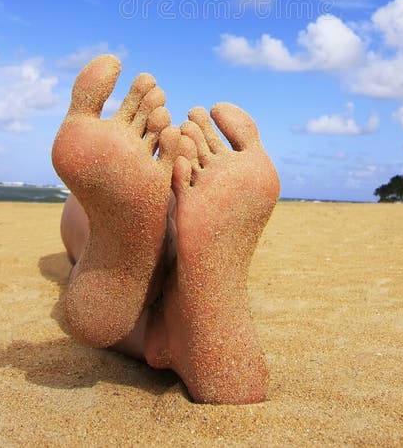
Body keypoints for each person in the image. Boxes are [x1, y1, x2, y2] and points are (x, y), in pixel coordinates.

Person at [52, 54, 280, 404]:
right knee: (175, 205)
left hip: (117, 237)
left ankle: (125, 265)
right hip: (181, 209)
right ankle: (176, 316)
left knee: (77, 222)